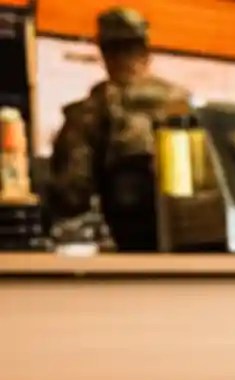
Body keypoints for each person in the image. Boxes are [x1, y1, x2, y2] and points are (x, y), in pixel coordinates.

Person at [47, 7, 189, 251]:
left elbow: (71, 192)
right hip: (189, 244)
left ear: (104, 53)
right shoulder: (181, 102)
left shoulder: (90, 110)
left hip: (123, 249)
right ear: (147, 52)